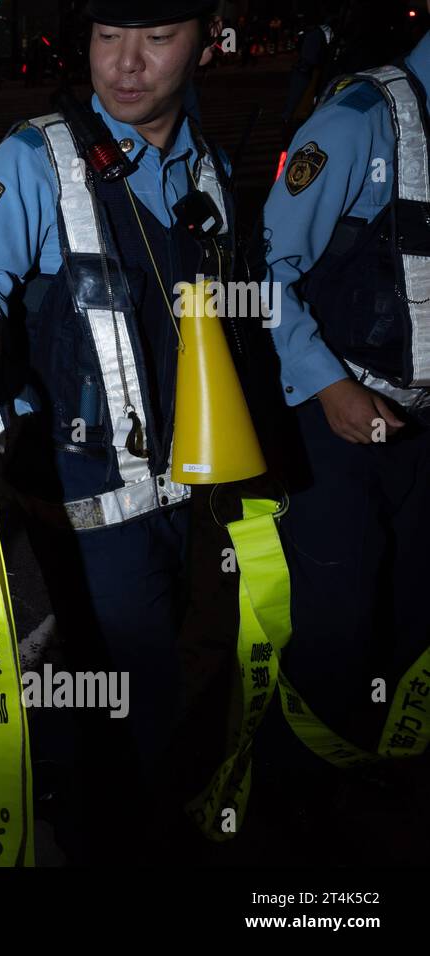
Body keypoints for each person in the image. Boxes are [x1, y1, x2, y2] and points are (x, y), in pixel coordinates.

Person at [0, 0, 239, 862]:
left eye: (156, 36)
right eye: (109, 37)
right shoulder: (38, 156)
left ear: (206, 42)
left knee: (150, 671)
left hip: (186, 489)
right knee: (122, 687)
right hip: (85, 497)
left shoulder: (211, 163)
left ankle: (115, 810)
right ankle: (104, 831)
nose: (127, 62)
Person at [253, 3, 430, 805]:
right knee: (337, 614)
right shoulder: (362, 117)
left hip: (423, 422)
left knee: (415, 608)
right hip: (341, 417)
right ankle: (301, 807)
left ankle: (392, 769)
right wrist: (327, 383)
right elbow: (267, 269)